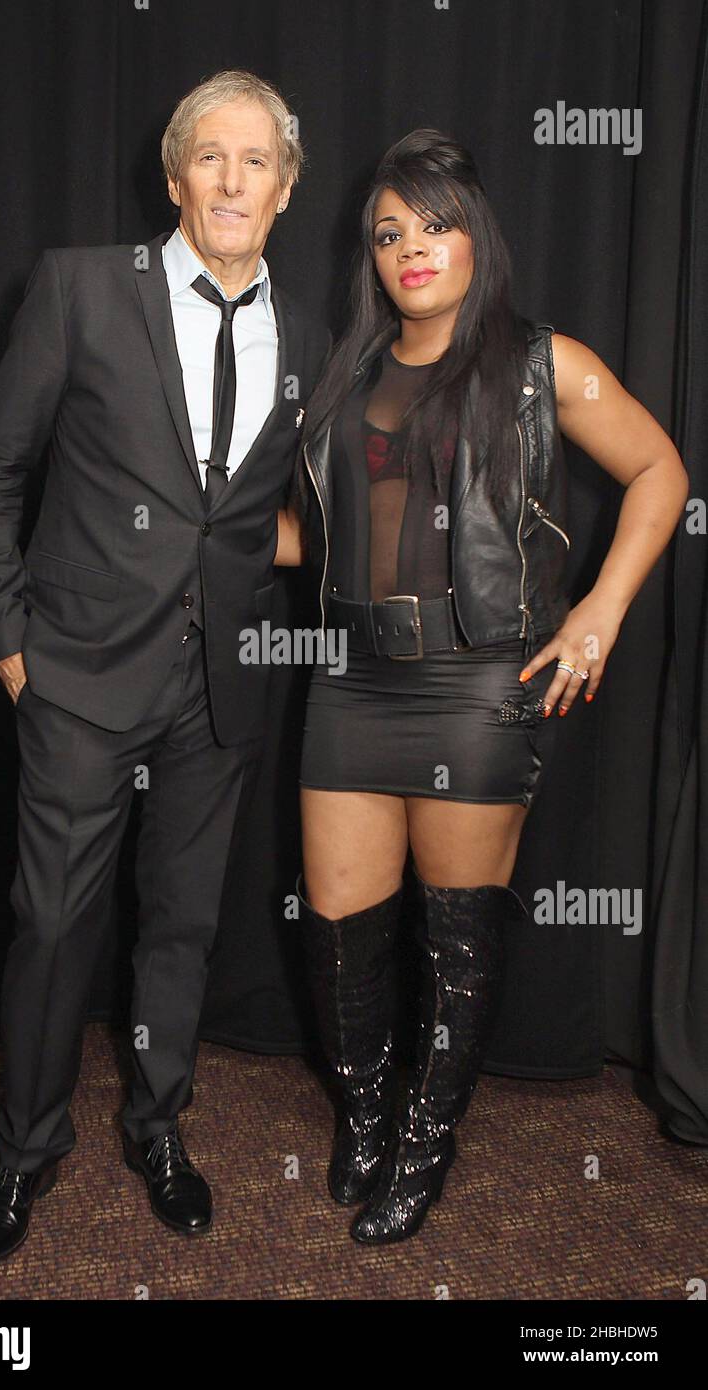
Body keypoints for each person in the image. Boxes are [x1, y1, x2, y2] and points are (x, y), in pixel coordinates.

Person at [278, 128, 687, 1245]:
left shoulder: (541, 361)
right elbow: (307, 539)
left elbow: (660, 469)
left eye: (434, 223)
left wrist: (598, 611)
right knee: (338, 927)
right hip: (352, 679)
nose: (411, 248)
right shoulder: (347, 373)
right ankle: (365, 1112)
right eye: (388, 232)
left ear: (476, 238)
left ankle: (425, 1141)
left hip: (477, 683)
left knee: (454, 938)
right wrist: (167, 536)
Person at [0, 69, 330, 1267]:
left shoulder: (309, 337)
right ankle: (23, 1151)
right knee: (57, 924)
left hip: (218, 688)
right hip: (74, 676)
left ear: (282, 191)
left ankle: (158, 1127)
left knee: (181, 925)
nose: (231, 179)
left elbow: (273, 518)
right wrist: (8, 646)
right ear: (176, 180)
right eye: (209, 158)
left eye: (255, 160)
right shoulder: (78, 286)